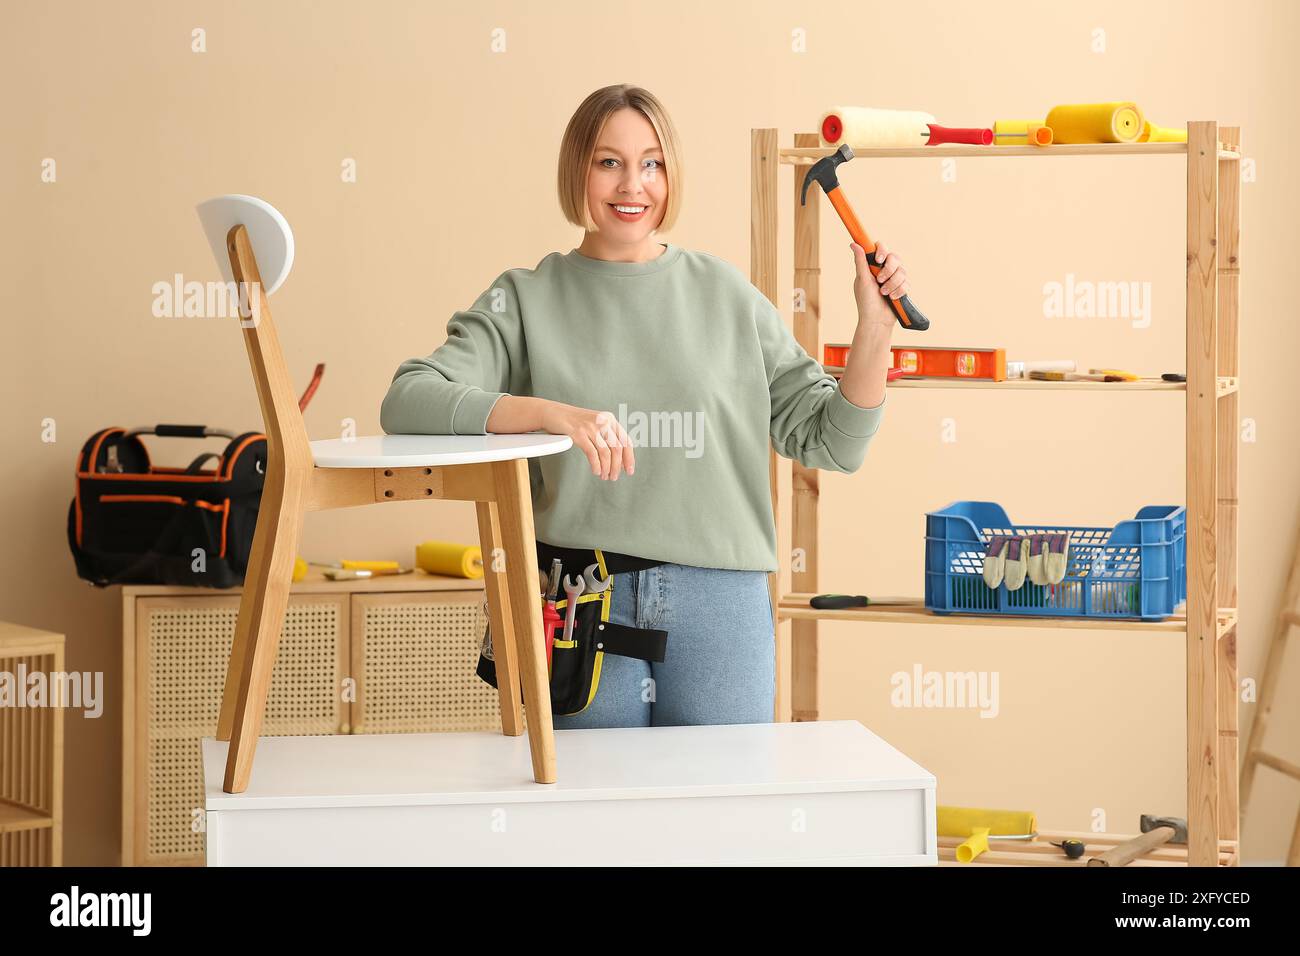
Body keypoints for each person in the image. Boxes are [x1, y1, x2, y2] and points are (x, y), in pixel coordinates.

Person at [380, 84, 907, 729]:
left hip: (722, 606)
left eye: (652, 163)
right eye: (609, 161)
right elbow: (408, 399)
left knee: (722, 819)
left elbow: (835, 443)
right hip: (580, 600)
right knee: (595, 823)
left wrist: (874, 329)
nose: (633, 184)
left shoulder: (727, 296)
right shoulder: (524, 299)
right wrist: (549, 413)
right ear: (578, 169)